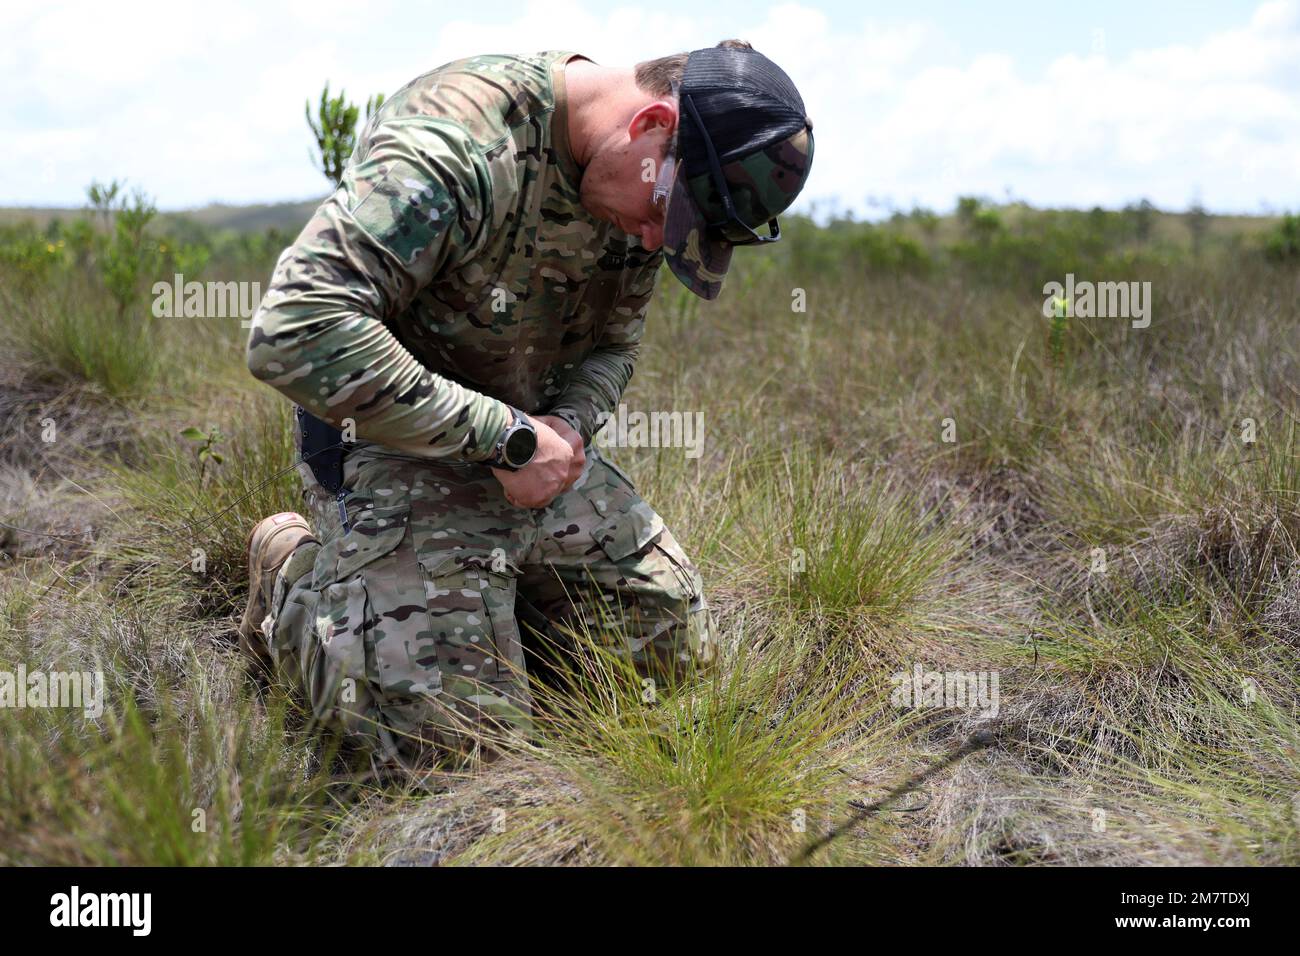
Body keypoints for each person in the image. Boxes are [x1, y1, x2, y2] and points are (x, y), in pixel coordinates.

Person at [241, 41, 814, 764]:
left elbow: (615, 345)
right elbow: (294, 327)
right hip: (389, 444)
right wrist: (504, 439)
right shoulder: (456, 142)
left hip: (534, 453)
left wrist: (565, 430)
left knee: (673, 672)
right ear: (651, 126)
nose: (648, 239)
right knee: (450, 752)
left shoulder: (641, 185)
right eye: (662, 215)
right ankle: (293, 580)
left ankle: (485, 626)